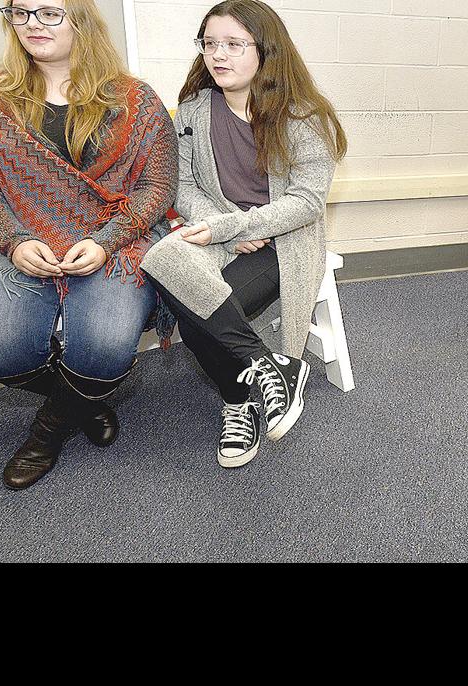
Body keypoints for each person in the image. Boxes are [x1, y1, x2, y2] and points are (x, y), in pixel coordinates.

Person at [0, 0, 178, 489]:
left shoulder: (134, 100)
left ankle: (51, 427)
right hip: (19, 237)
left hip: (112, 234)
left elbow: (158, 185)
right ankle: (84, 404)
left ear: (80, 19)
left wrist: (107, 241)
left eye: (48, 12)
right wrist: (13, 239)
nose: (31, 25)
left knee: (107, 347)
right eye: (19, 13)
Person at [138, 0, 346, 468]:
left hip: (283, 240)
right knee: (164, 259)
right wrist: (222, 225)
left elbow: (308, 203)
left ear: (266, 50)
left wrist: (236, 226)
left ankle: (237, 401)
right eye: (210, 44)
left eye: (233, 44)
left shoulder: (303, 116)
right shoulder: (193, 110)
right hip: (219, 230)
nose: (218, 55)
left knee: (195, 312)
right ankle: (272, 368)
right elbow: (184, 185)